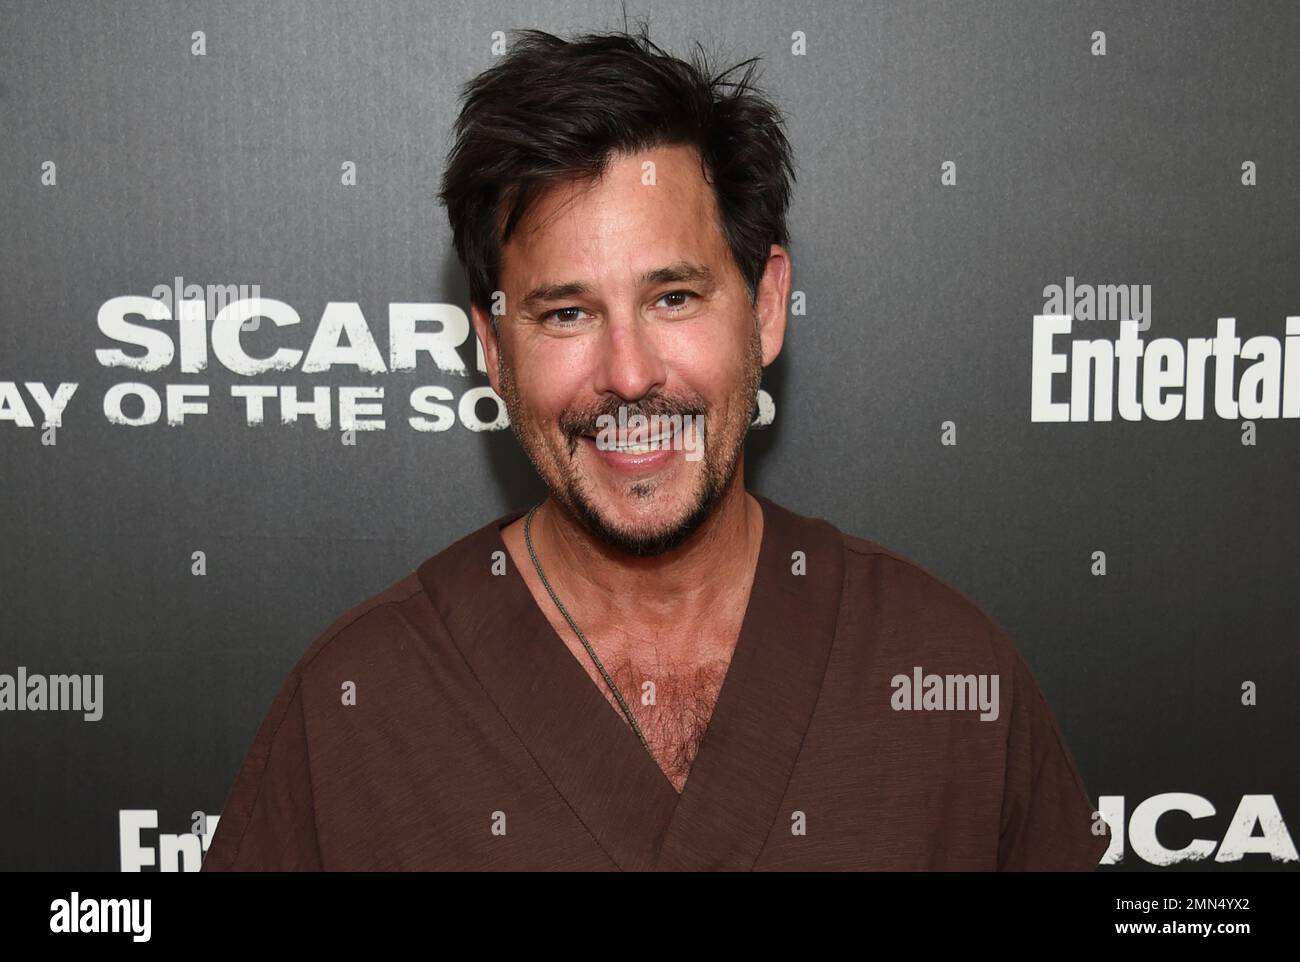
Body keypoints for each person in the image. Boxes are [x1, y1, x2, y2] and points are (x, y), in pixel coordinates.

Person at [202, 24, 1107, 871]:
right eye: (566, 313)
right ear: (490, 348)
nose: (629, 375)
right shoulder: (357, 711)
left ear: (763, 305)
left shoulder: (950, 676)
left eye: (674, 297)